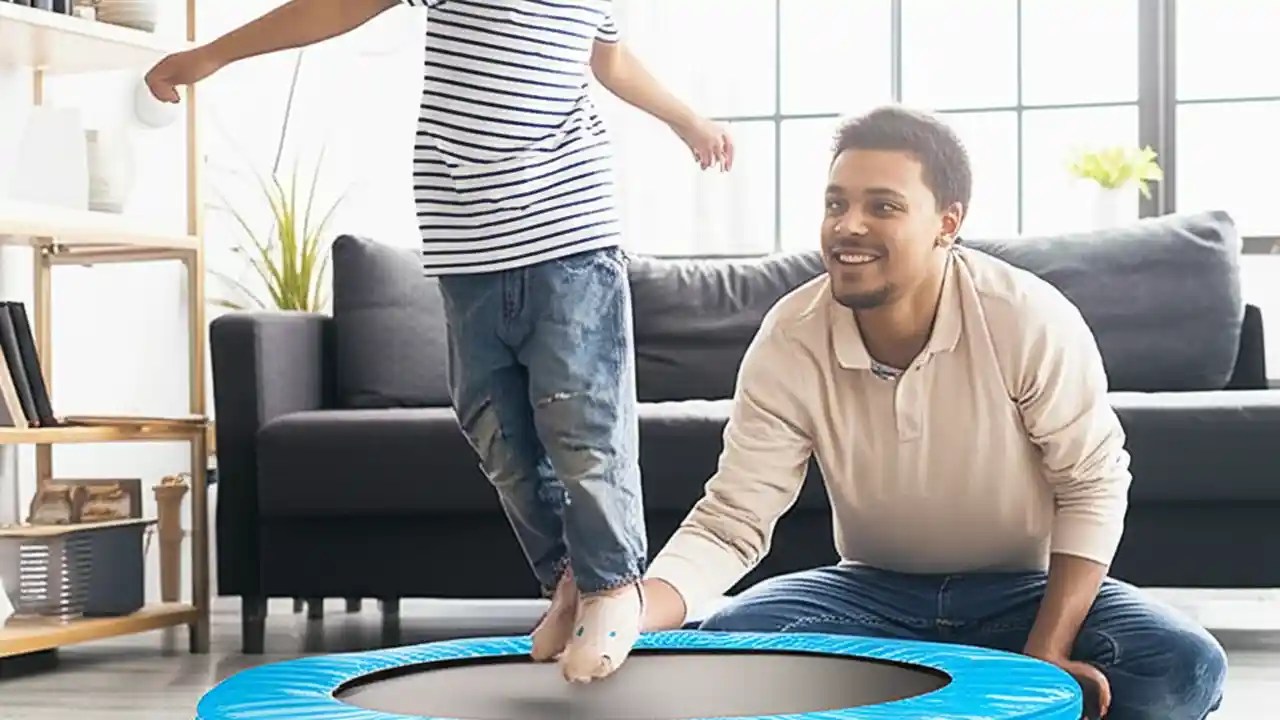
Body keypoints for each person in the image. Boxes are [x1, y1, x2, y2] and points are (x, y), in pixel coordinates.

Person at [144, 0, 733, 682]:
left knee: (584, 427)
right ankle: (570, 577)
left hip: (570, 236)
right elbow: (334, 7)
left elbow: (611, 57)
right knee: (498, 436)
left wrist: (687, 119)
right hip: (467, 251)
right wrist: (208, 55)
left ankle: (611, 588)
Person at [629, 105, 1228, 719]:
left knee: (1181, 665)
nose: (848, 226)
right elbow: (733, 519)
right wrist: (634, 611)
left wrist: (1044, 654)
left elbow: (1092, 484)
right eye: (836, 204)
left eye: (883, 207)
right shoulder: (791, 337)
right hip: (869, 594)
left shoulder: (1023, 316)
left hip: (1024, 593)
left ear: (948, 222)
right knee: (726, 650)